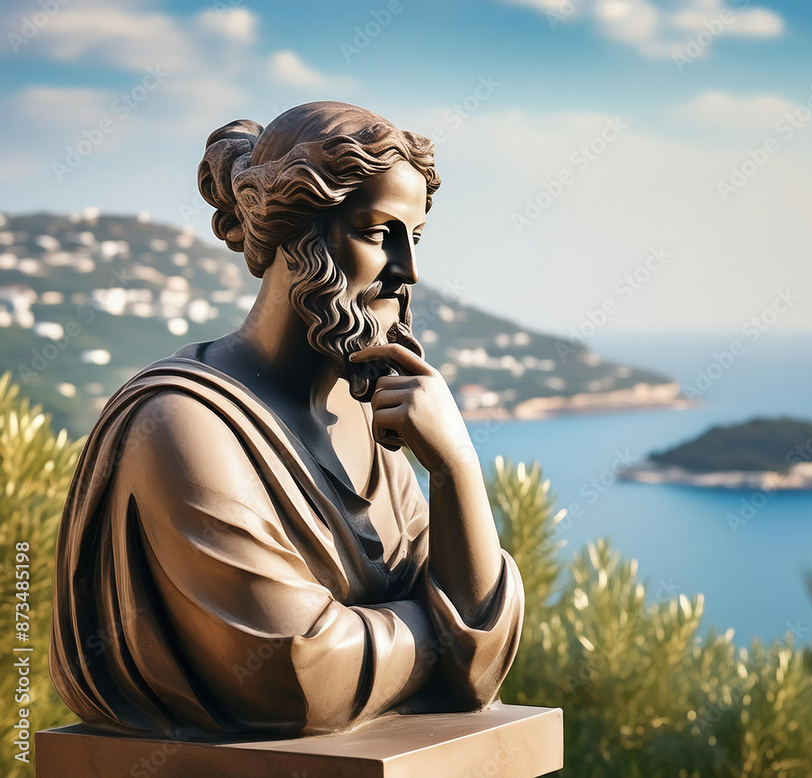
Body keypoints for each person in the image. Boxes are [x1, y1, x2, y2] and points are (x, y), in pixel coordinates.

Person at [50, 102, 524, 738]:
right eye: (379, 234)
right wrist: (440, 628)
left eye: (416, 240)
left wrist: (455, 468)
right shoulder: (185, 427)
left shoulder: (369, 425)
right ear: (297, 236)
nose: (407, 273)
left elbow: (480, 671)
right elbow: (293, 675)